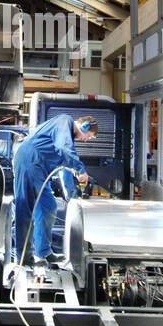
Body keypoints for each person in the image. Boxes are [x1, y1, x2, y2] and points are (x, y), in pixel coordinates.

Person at [13, 114, 98, 266]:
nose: (86, 140)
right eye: (89, 137)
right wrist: (80, 169)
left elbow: (65, 170)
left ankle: (44, 252)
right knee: (26, 210)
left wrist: (72, 197)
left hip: (40, 170)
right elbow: (64, 149)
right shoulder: (65, 122)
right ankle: (23, 257)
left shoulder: (67, 140)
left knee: (48, 206)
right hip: (29, 161)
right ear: (84, 126)